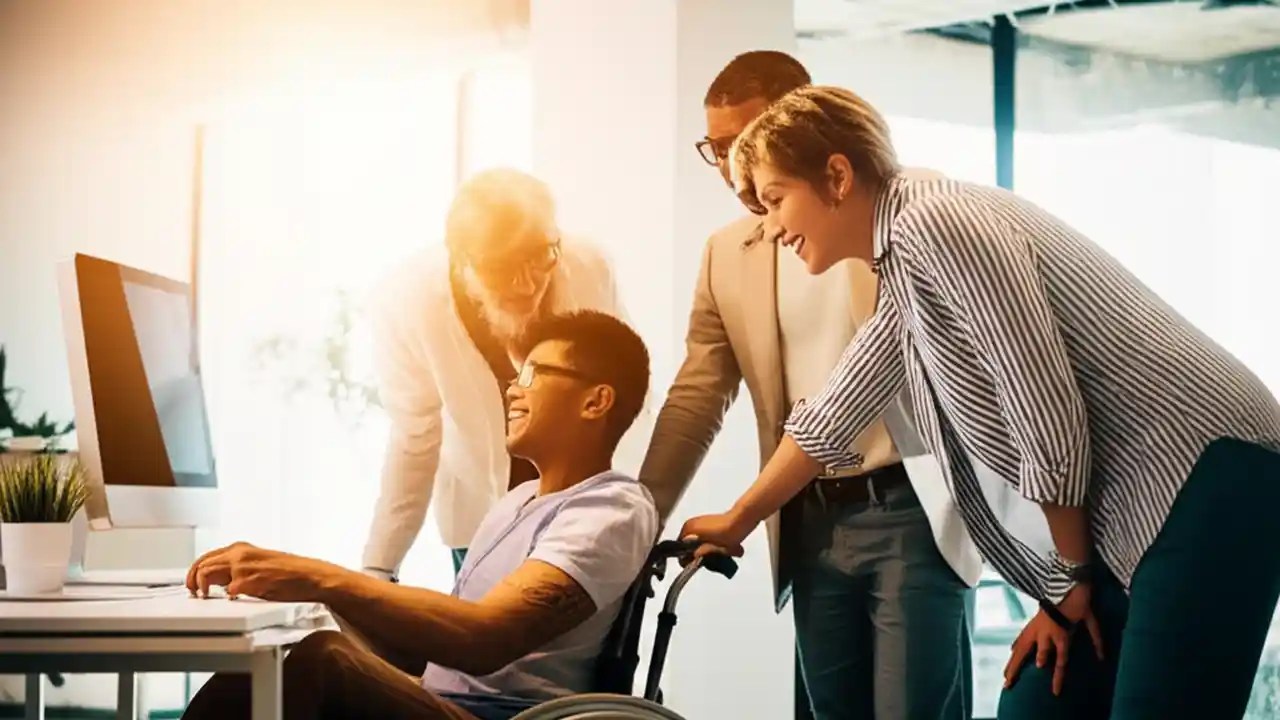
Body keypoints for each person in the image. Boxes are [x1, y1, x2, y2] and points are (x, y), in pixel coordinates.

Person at [679, 84, 1280, 720]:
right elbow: (837, 408)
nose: (769, 228)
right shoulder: (906, 262)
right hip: (1122, 520)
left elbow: (1045, 415)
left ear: (835, 175)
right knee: (1034, 701)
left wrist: (1067, 579)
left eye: (774, 202)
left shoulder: (936, 224)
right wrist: (739, 518)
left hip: (1207, 476)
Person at [640, 51, 980, 720]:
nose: (736, 167)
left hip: (911, 503)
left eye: (747, 140)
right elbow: (698, 394)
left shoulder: (898, 208)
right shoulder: (725, 254)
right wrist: (639, 516)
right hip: (808, 520)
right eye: (717, 149)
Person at [182, 310, 659, 720]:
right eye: (515, 377)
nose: (513, 391)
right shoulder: (518, 501)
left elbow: (484, 639)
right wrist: (319, 603)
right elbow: (435, 648)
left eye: (533, 374)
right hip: (446, 699)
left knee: (324, 664)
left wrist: (316, 578)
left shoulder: (611, 508)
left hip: (505, 715)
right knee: (279, 654)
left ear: (595, 400)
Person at [362, 168, 637, 583]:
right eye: (504, 267)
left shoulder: (588, 266)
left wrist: (640, 507)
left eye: (540, 255)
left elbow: (626, 393)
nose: (527, 284)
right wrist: (379, 567)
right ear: (462, 259)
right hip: (481, 514)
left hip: (586, 512)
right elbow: (415, 437)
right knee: (483, 635)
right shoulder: (407, 302)